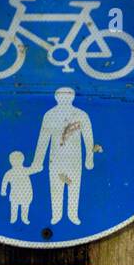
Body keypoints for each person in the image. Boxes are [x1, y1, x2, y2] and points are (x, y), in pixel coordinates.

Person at [28, 86, 96, 226]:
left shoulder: (81, 114)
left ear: (73, 97)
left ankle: (73, 214)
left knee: (74, 186)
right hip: (56, 159)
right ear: (56, 97)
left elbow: (88, 138)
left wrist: (90, 158)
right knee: (56, 187)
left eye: (68, 95)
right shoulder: (50, 115)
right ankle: (56, 215)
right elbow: (43, 140)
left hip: (74, 159)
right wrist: (37, 162)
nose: (64, 98)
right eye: (61, 95)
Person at [0, 150, 33, 225]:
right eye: (14, 161)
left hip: (26, 194)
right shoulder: (9, 173)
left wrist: (38, 167)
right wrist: (3, 191)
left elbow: (34, 169)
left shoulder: (25, 170)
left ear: (22, 160)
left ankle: (25, 219)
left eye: (18, 160)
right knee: (14, 207)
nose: (16, 162)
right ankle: (13, 219)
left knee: (25, 206)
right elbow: (5, 182)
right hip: (15, 194)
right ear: (11, 161)